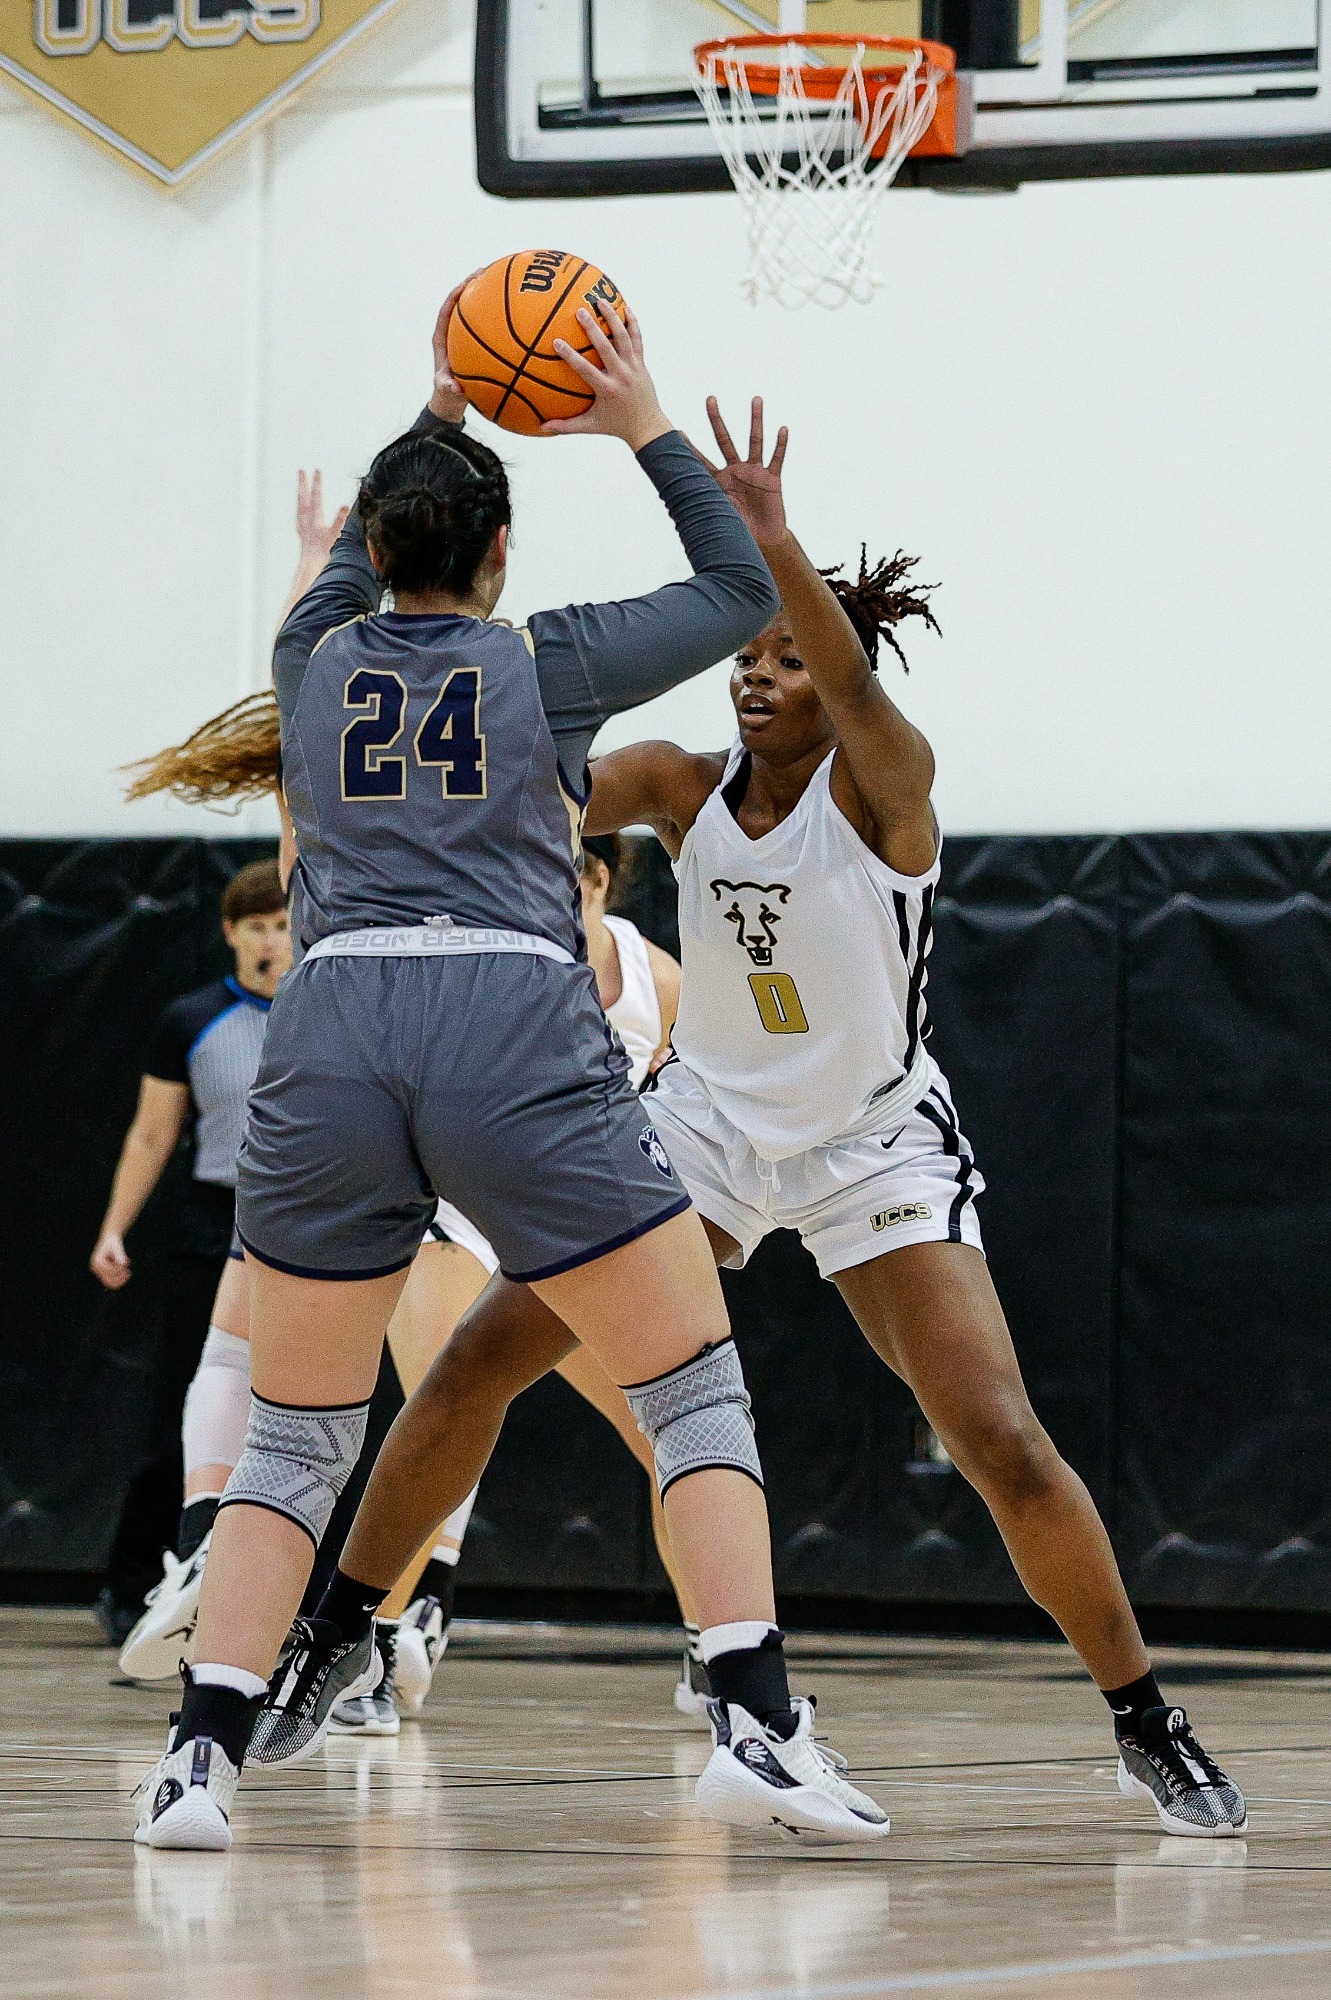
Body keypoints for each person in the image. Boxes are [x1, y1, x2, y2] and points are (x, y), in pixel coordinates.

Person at [316, 397, 1247, 1843]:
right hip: (698, 1131)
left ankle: (1144, 1719)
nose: (755, 680)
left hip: (872, 1140)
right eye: (741, 663)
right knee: (471, 1362)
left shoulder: (885, 796)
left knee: (997, 1435)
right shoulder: (683, 793)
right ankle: (339, 1635)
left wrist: (769, 545)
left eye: (782, 664)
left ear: (831, 678)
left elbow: (850, 688)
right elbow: (527, 775)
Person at [133, 287, 886, 1850]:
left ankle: (197, 1760)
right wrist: (636, 418)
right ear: (495, 559)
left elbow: (364, 542)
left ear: (377, 541)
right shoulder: (545, 665)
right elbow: (737, 579)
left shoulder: (313, 658)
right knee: (688, 1391)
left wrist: (442, 409)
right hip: (507, 1023)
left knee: (290, 1435)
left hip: (330, 1036)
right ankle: (752, 1719)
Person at [117, 507, 695, 1734]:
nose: (571, 876)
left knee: (649, 1419)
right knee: (341, 1373)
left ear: (601, 874)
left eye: (589, 867)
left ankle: (667, 1633)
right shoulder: (461, 904)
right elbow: (306, 773)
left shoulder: (652, 974)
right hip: (425, 1158)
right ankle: (256, 1571)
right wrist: (308, 582)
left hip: (556, 1203)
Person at [88, 860, 290, 1642]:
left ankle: (293, 1594)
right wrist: (115, 1226)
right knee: (190, 1399)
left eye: (282, 924)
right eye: (257, 927)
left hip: (306, 1221)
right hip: (214, 1222)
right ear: (230, 934)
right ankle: (141, 1584)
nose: (271, 940)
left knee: (305, 1405)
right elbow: (152, 1132)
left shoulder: (325, 1010)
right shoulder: (192, 1019)